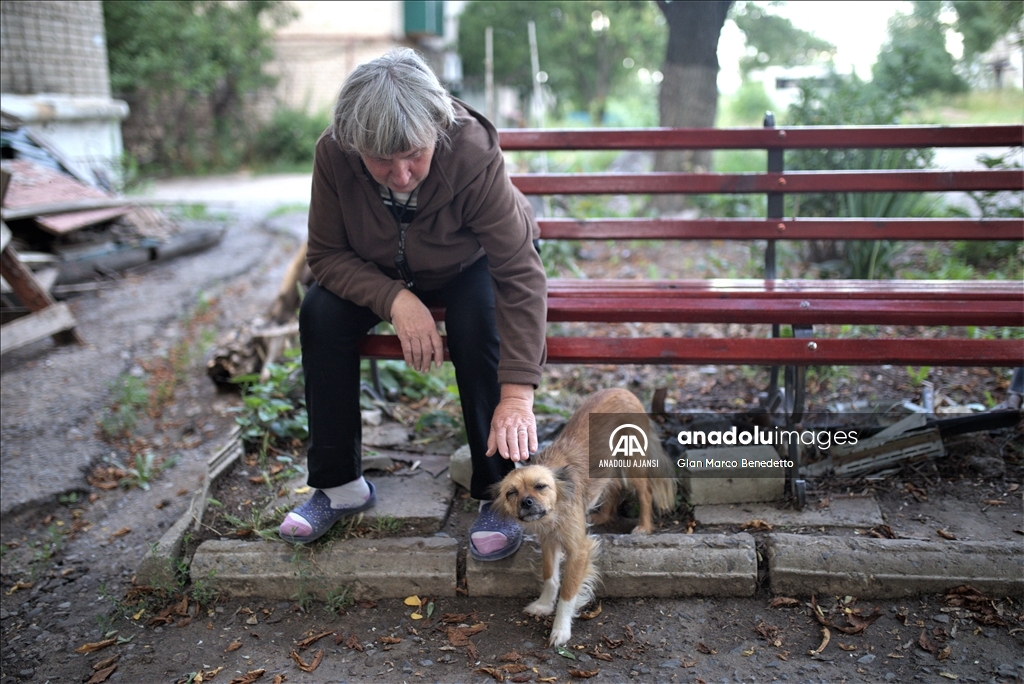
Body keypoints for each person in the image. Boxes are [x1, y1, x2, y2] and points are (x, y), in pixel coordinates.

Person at [278, 48, 547, 562]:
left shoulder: (470, 148)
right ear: (353, 145)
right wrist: (396, 300)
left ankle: (503, 492)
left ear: (437, 129)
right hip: (383, 271)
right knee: (320, 312)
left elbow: (516, 270)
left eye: (413, 155)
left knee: (478, 317)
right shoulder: (333, 153)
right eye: (382, 161)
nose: (401, 175)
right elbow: (328, 255)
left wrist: (517, 396)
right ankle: (339, 486)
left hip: (470, 264)